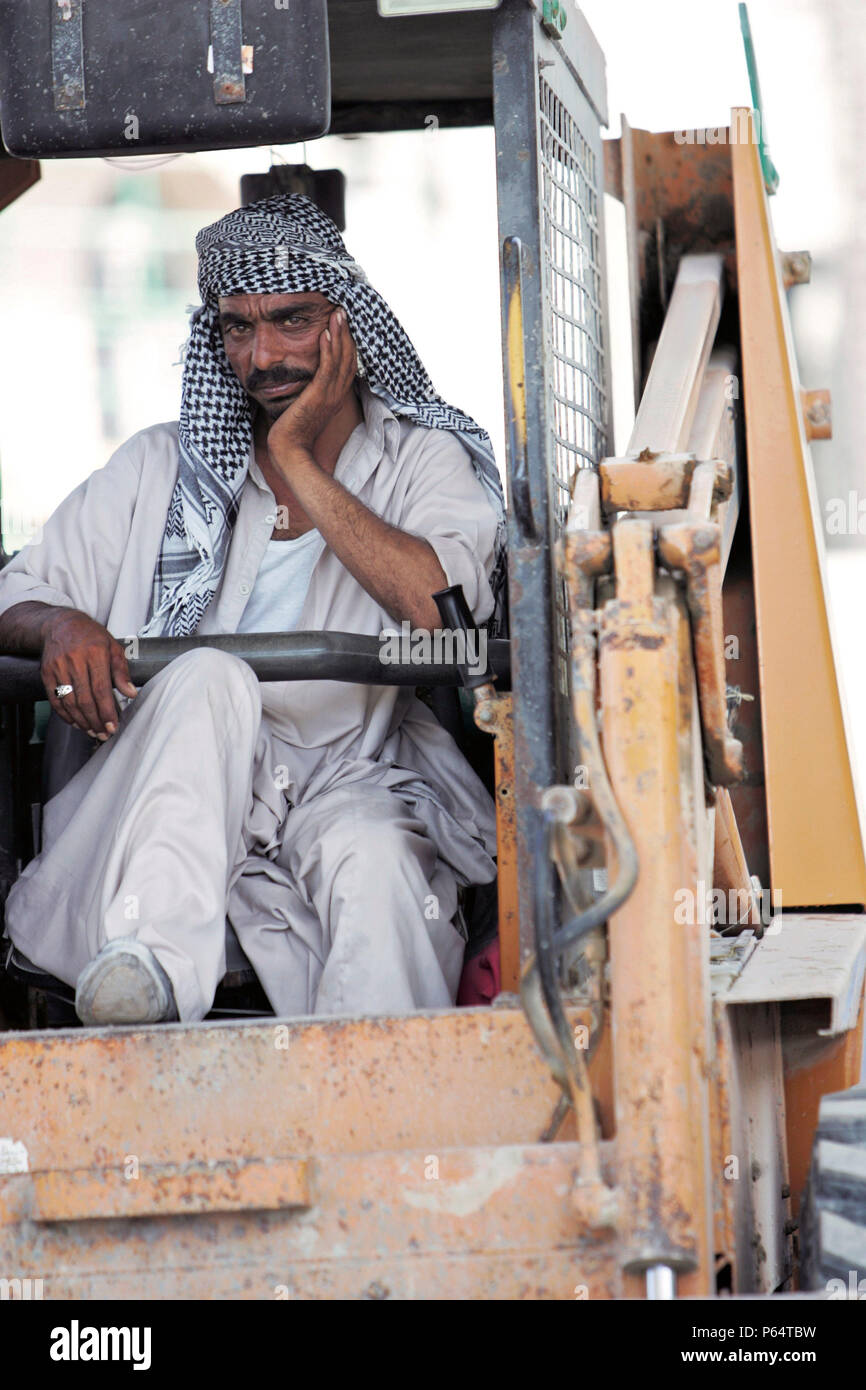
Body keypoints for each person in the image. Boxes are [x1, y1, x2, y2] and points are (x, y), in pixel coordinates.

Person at [0, 193, 505, 1027]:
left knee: (375, 860)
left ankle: (386, 1128)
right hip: (172, 797)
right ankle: (149, 971)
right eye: (238, 329)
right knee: (207, 681)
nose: (264, 354)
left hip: (350, 782)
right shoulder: (160, 470)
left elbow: (439, 609)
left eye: (292, 321)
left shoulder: (422, 459)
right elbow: (15, 595)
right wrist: (59, 625)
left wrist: (294, 458)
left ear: (349, 323)